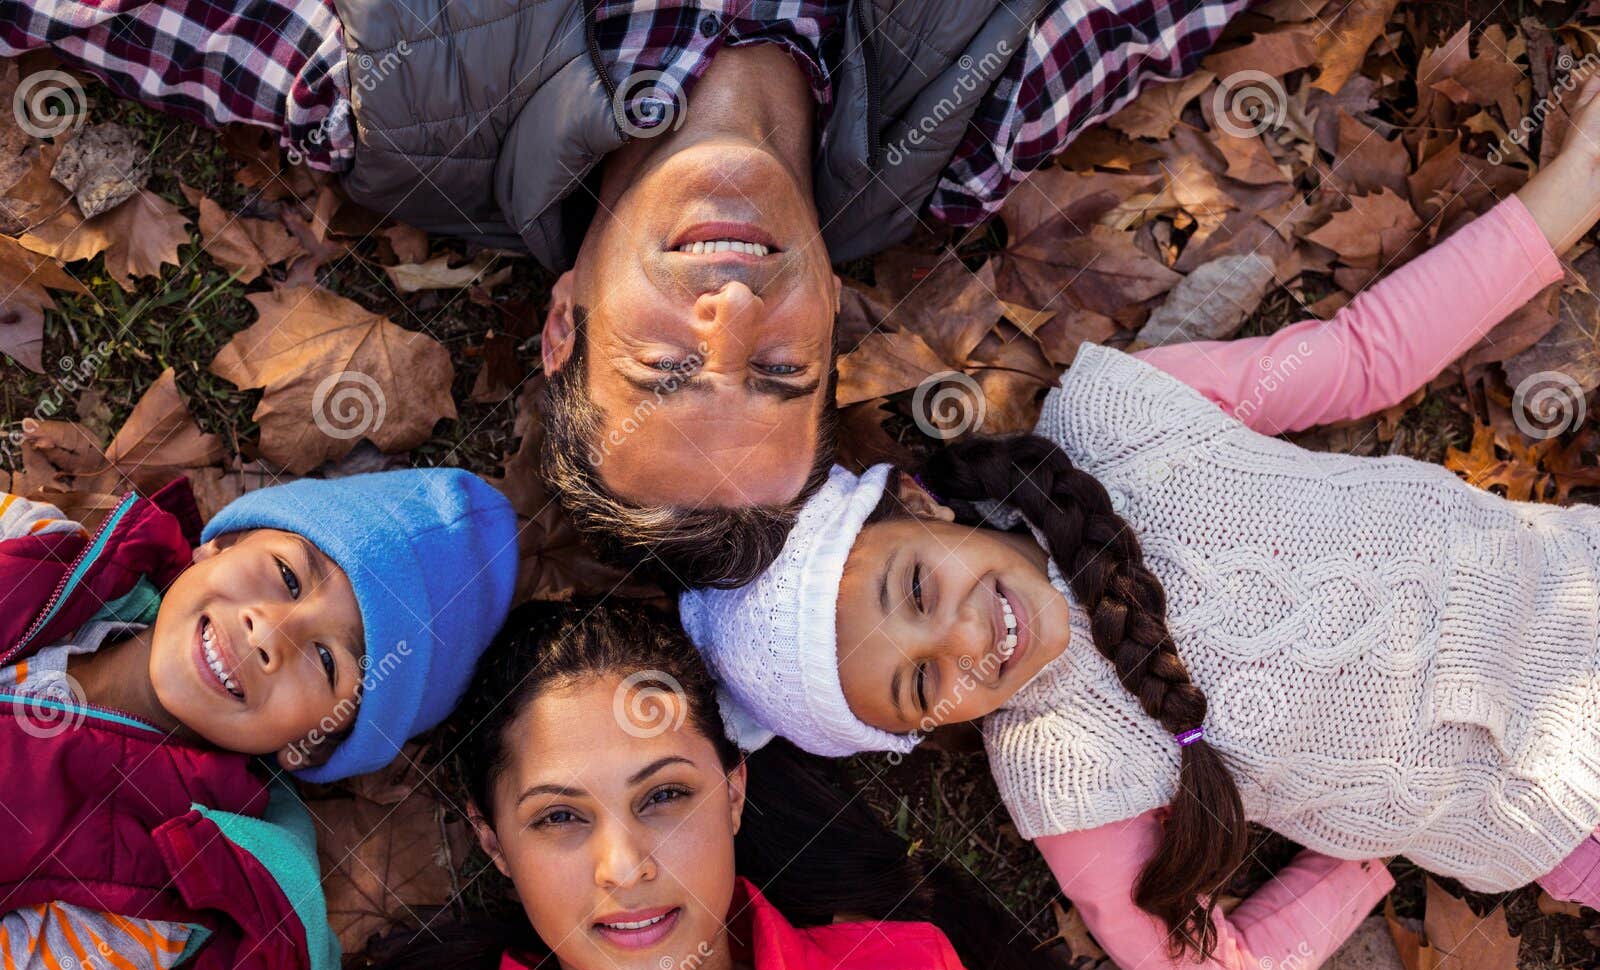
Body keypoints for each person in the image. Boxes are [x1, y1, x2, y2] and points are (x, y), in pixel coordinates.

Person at [674, 79, 1600, 970]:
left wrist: (1577, 181)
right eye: (919, 684)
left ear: (916, 502)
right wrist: (1361, 858)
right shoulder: (1067, 777)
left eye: (913, 586)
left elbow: (1363, 355)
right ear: (920, 733)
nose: (963, 637)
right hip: (1558, 810)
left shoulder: (1120, 424)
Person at [3, 0, 1259, 584]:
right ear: (834, 319)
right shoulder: (977, 116)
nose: (731, 309)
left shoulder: (379, 94)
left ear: (562, 322)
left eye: (665, 368)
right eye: (778, 370)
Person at [377, 600, 1142, 970]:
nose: (625, 865)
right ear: (492, 842)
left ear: (734, 793)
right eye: (560, 816)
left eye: (664, 795)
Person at [0, 468, 517, 970]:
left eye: (327, 661)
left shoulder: (152, 903)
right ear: (218, 545)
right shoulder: (37, 549)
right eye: (288, 577)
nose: (269, 633)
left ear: (312, 743)